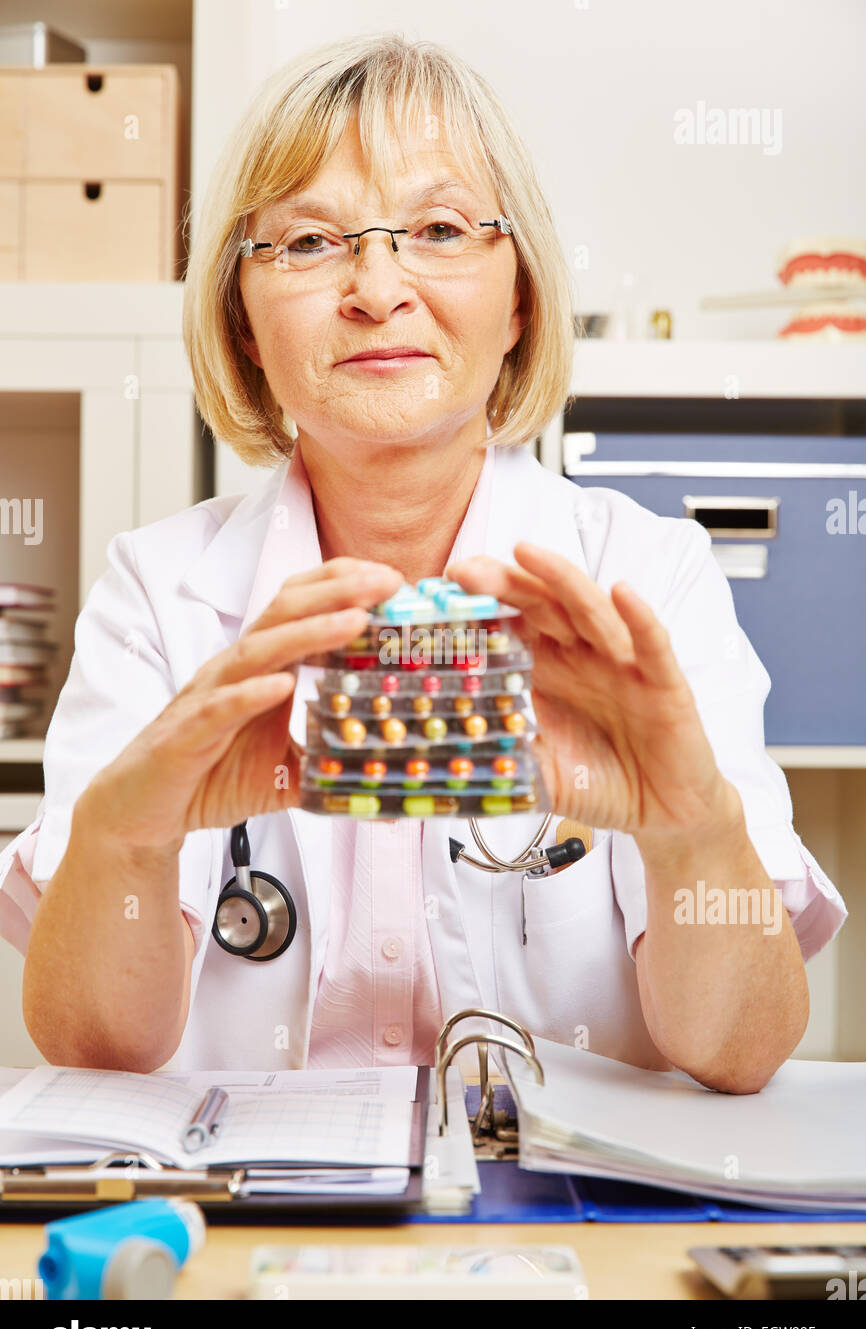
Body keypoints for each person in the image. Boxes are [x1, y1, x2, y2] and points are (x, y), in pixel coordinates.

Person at [0, 34, 845, 1088]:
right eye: (308, 243)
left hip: (580, 1229)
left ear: (522, 299)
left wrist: (689, 827)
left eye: (439, 229)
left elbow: (739, 1049)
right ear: (245, 324)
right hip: (256, 1229)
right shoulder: (157, 596)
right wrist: (128, 841)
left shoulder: (646, 574)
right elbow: (91, 1045)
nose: (376, 285)